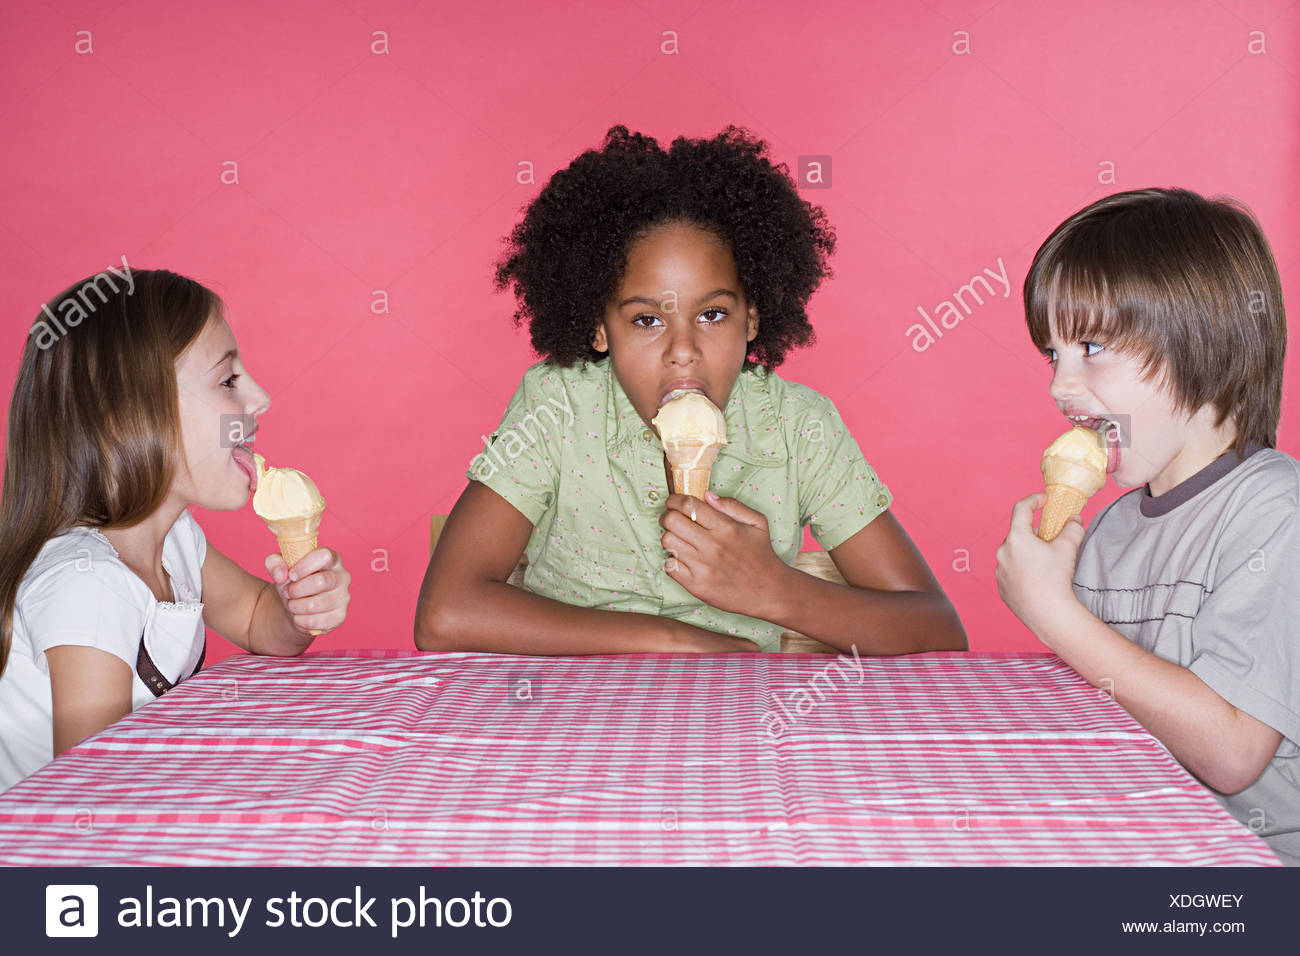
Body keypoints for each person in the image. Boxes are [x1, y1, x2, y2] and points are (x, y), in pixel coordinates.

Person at [417, 126, 966, 656]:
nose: (684, 350)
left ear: (752, 319)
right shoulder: (557, 405)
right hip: (573, 720)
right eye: (646, 321)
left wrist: (776, 590)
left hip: (746, 725)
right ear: (599, 328)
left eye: (712, 314)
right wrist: (672, 639)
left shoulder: (800, 427)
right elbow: (446, 613)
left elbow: (936, 629)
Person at [995, 188, 1298, 865]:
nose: (1058, 386)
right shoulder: (1111, 530)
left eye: (1091, 346)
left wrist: (1054, 615)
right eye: (1053, 355)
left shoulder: (1276, 515)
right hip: (1143, 844)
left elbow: (1233, 753)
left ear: (1207, 337)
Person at [0, 268, 352, 791]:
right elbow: (92, 790)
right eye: (228, 380)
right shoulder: (86, 583)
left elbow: (258, 621)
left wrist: (295, 610)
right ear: (126, 415)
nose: (260, 399)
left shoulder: (176, 541)